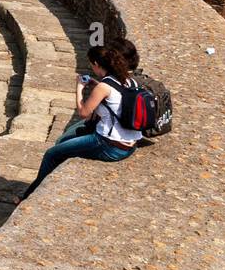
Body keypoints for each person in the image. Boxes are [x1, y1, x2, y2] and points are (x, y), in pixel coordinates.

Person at [19, 44, 140, 199]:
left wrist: (79, 88)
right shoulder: (129, 81)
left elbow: (84, 113)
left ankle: (29, 195)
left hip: (109, 145)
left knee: (52, 154)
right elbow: (115, 97)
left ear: (96, 65)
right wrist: (95, 84)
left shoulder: (103, 87)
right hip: (129, 145)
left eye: (91, 64)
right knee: (63, 142)